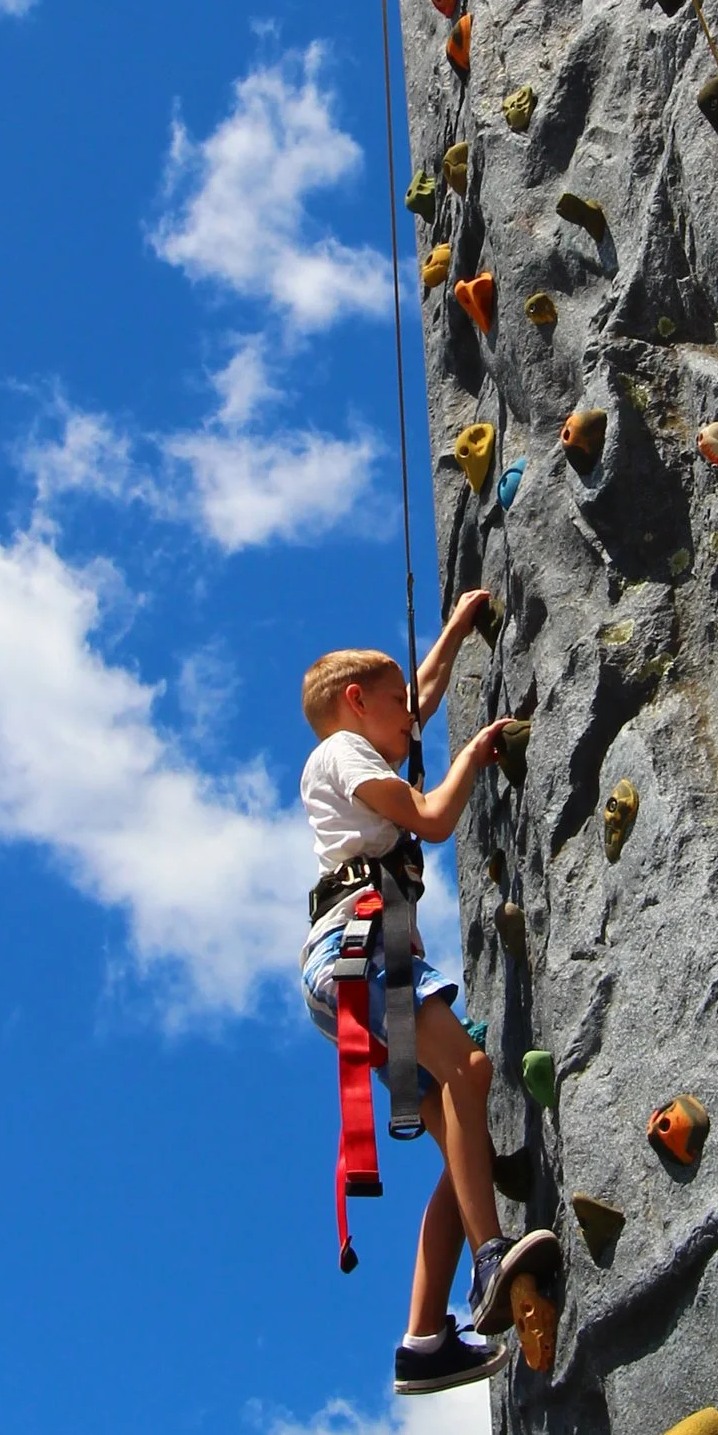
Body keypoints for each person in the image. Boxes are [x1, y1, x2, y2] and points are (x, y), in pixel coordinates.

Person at [299, 593, 558, 1393]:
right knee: (465, 1068)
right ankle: (487, 1262)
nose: (411, 718)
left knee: (469, 1088)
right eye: (393, 707)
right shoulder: (345, 754)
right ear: (354, 706)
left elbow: (419, 694)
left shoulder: (362, 745)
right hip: (363, 949)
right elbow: (434, 818)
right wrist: (473, 758)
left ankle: (422, 1340)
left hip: (366, 964)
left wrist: (454, 628)